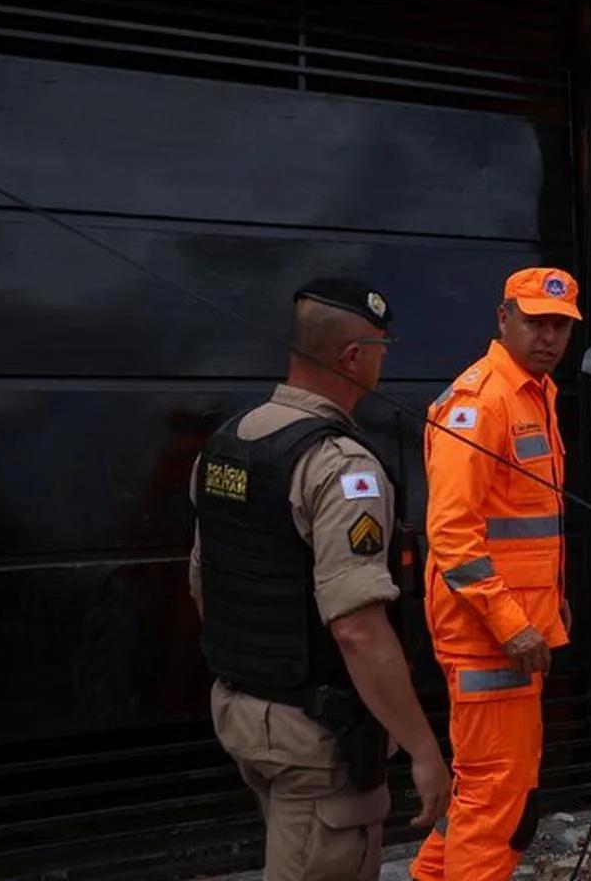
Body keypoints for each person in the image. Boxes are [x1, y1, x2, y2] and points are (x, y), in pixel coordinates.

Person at [191, 279, 447, 881]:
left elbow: (206, 583)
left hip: (244, 711)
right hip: (316, 736)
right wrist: (423, 749)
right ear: (352, 356)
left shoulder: (227, 444)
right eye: (383, 346)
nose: (388, 357)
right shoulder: (339, 468)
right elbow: (358, 627)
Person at [410, 268, 582, 881]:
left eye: (561, 325)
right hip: (487, 636)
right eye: (536, 321)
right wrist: (514, 623)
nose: (550, 337)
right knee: (496, 800)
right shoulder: (481, 403)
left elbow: (522, 521)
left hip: (512, 632)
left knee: (491, 795)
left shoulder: (534, 392)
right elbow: (453, 534)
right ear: (502, 318)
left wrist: (551, 602)